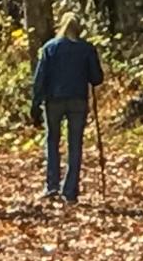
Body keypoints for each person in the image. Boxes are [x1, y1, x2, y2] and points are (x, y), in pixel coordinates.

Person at [30, 13, 104, 204]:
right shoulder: (87, 49)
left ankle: (52, 185)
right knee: (75, 144)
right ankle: (70, 191)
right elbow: (97, 78)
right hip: (78, 100)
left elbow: (40, 79)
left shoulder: (50, 48)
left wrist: (35, 104)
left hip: (53, 100)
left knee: (53, 140)